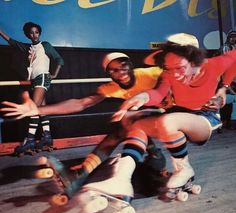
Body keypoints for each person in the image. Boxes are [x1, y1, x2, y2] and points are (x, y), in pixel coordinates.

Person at [1, 52, 172, 202]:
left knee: (129, 116)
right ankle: (80, 175)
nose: (120, 73)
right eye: (113, 70)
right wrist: (37, 110)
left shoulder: (151, 73)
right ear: (109, 74)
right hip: (155, 117)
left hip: (180, 113)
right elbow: (81, 103)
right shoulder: (110, 88)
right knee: (120, 127)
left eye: (123, 66)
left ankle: (155, 154)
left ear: (131, 65)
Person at [109, 33, 236, 193]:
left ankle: (184, 169)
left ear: (195, 61)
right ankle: (122, 177)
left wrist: (224, 87)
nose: (174, 74)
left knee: (168, 121)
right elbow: (159, 93)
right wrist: (143, 96)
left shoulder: (213, 65)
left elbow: (234, 57)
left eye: (180, 68)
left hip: (204, 119)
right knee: (136, 123)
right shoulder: (168, 74)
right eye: (169, 68)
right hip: (179, 114)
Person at [0, 22, 64, 156]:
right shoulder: (28, 48)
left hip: (42, 78)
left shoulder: (45, 45)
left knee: (33, 108)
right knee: (41, 109)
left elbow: (59, 59)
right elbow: (12, 41)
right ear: (27, 35)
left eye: (36, 32)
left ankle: (29, 139)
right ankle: (47, 137)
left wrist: (54, 74)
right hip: (34, 79)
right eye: (31, 33)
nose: (34, 35)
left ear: (39, 33)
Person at [220, 30, 236, 129]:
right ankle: (224, 121)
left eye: (235, 37)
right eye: (232, 37)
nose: (233, 39)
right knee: (226, 99)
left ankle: (229, 120)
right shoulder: (225, 48)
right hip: (227, 75)